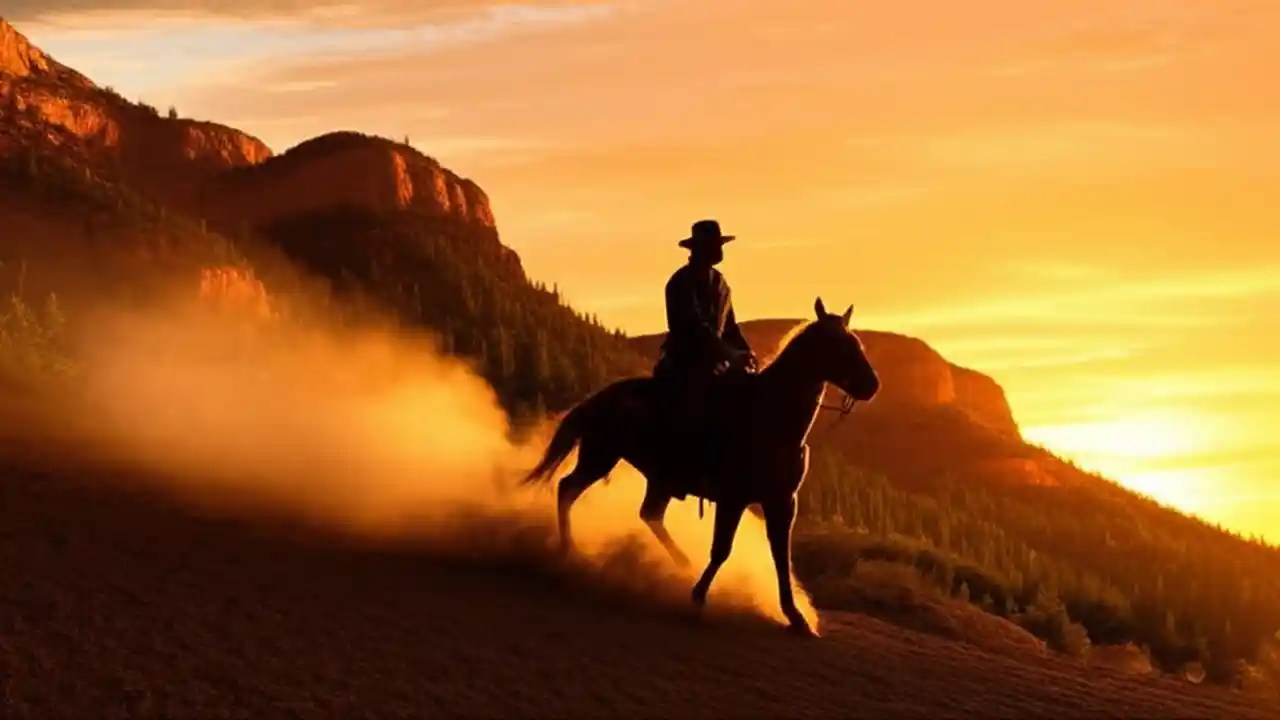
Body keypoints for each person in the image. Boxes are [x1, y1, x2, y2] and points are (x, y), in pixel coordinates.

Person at [653, 219, 756, 494]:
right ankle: (679, 471)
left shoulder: (721, 284)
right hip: (684, 362)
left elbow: (730, 327)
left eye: (719, 245)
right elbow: (694, 328)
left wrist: (745, 352)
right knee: (690, 409)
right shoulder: (680, 283)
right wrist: (729, 354)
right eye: (714, 246)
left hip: (717, 361)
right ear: (699, 249)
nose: (720, 250)